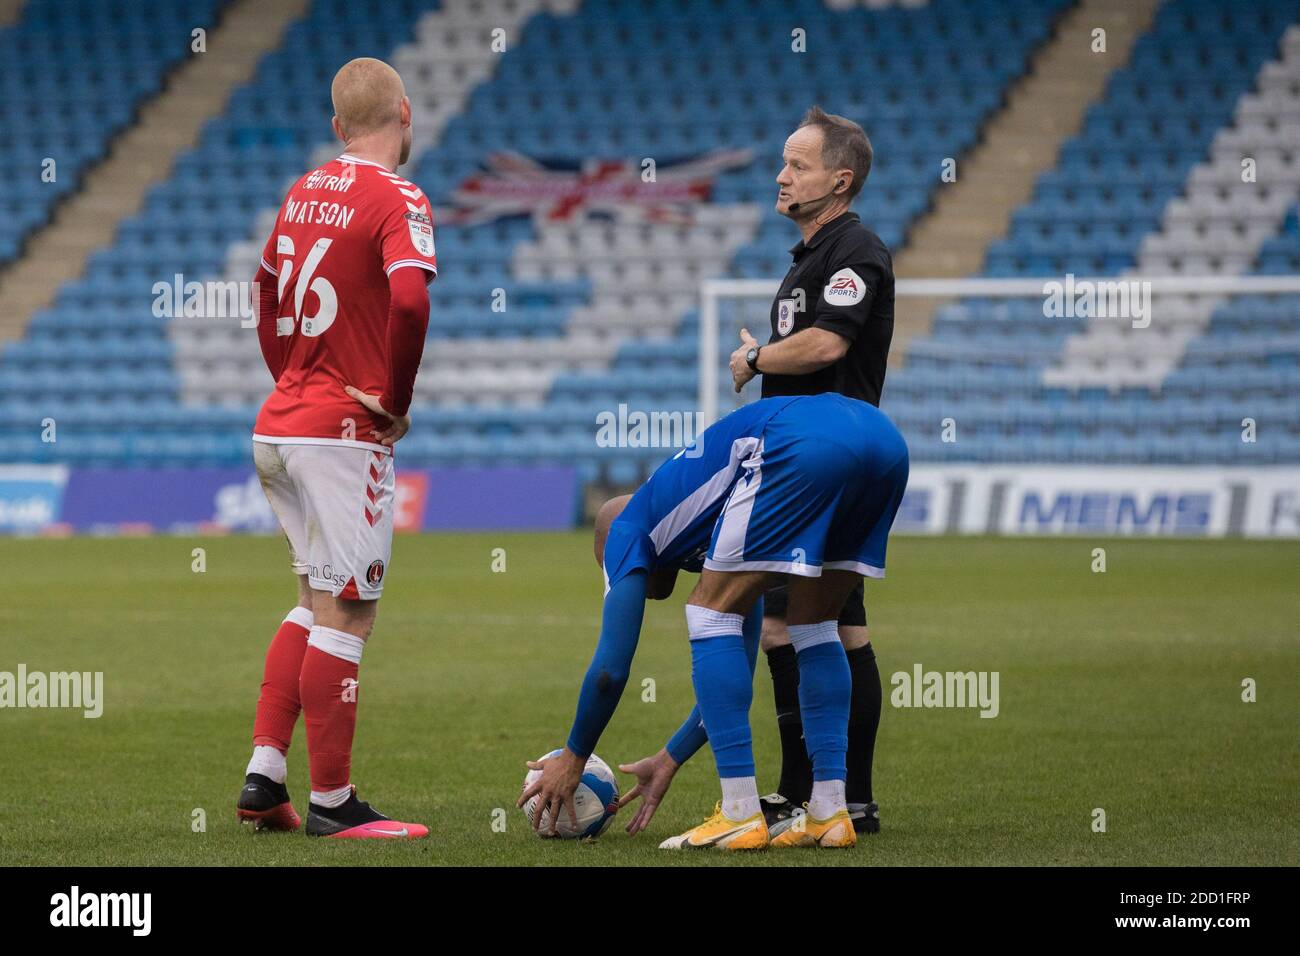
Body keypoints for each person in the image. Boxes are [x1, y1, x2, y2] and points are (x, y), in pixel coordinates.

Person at [519, 392, 908, 849]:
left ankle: (741, 814)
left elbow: (610, 671)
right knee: (816, 626)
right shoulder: (703, 526)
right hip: (884, 442)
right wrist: (670, 757)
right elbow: (737, 677)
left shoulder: (627, 528)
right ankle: (829, 812)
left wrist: (574, 754)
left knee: (708, 613)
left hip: (801, 442)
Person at [235, 57, 437, 840]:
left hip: (280, 423)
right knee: (349, 613)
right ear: (405, 113)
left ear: (337, 128)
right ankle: (331, 802)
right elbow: (411, 301)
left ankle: (265, 778)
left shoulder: (301, 191)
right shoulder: (399, 196)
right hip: (341, 435)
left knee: (312, 601)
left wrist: (292, 377)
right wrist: (394, 400)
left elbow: (263, 292)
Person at [728, 106, 895, 835]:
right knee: (827, 628)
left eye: (797, 163)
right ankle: (829, 795)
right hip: (817, 461)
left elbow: (827, 348)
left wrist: (755, 358)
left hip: (826, 465)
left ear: (840, 178)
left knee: (799, 628)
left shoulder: (855, 251)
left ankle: (825, 793)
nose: (781, 173)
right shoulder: (812, 256)